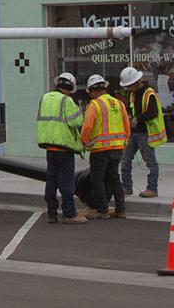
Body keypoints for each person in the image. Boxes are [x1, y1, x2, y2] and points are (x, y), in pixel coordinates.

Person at [37, 72, 86, 225]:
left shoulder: (45, 98)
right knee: (66, 183)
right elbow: (77, 122)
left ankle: (52, 214)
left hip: (50, 147)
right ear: (71, 87)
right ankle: (69, 214)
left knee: (51, 181)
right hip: (64, 148)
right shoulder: (67, 101)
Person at [79, 73, 128, 219]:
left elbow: (87, 127)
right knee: (114, 178)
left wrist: (84, 142)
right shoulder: (118, 103)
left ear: (92, 90)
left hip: (100, 149)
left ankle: (102, 210)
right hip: (117, 148)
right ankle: (121, 209)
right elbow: (126, 125)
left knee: (97, 179)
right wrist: (123, 142)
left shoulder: (95, 105)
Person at [119, 66, 164, 198]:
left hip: (145, 133)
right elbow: (133, 109)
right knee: (125, 160)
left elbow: (153, 112)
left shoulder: (149, 93)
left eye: (129, 86)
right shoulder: (133, 94)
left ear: (136, 82)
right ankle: (126, 187)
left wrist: (138, 119)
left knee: (150, 162)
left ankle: (152, 188)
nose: (127, 89)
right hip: (133, 133)